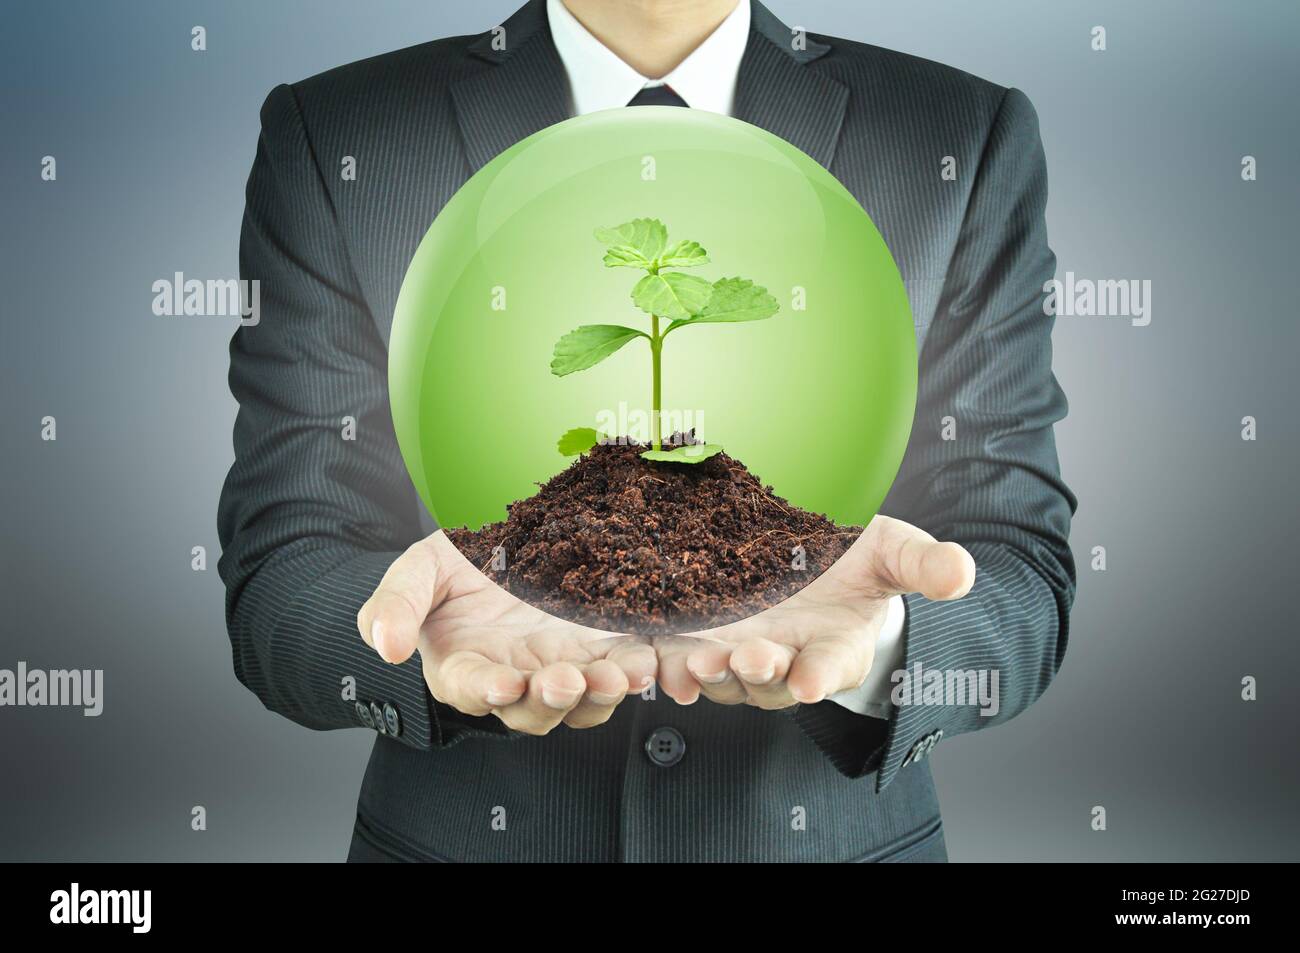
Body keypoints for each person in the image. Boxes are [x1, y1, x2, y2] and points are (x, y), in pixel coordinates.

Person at [218, 0, 1075, 862]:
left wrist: (883, 641)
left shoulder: (953, 132)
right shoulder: (347, 134)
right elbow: (283, 570)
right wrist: (424, 651)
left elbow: (1019, 567)